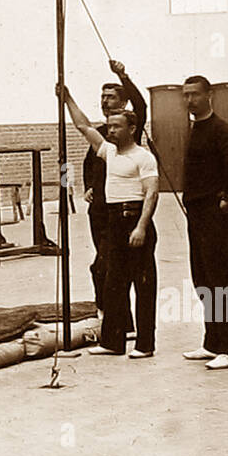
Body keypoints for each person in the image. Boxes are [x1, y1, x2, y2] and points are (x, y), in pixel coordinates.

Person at [63, 87, 160, 357]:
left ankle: (145, 345)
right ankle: (113, 342)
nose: (111, 130)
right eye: (110, 126)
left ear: (132, 129)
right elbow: (83, 126)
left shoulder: (143, 157)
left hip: (135, 219)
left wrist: (141, 226)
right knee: (113, 283)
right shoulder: (108, 152)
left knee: (143, 284)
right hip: (114, 221)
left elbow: (152, 193)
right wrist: (68, 98)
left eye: (117, 126)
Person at [180, 76, 228, 370]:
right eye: (186, 95)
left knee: (220, 279)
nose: (189, 100)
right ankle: (212, 343)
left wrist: (226, 196)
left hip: (214, 211)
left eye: (194, 94)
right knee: (202, 277)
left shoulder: (221, 128)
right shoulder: (196, 128)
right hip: (195, 211)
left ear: (210, 95)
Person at [80, 60, 148, 332]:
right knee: (101, 265)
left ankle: (119, 321)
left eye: (111, 97)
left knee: (109, 266)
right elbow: (89, 163)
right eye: (102, 97)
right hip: (98, 208)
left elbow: (141, 106)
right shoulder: (100, 134)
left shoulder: (131, 128)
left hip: (121, 208)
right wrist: (88, 186)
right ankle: (111, 317)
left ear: (123, 102)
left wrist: (122, 75)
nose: (105, 101)